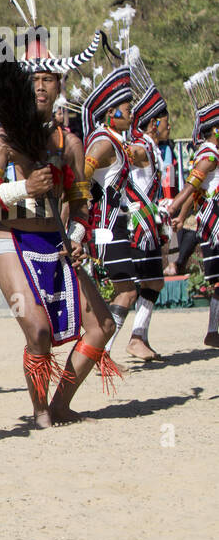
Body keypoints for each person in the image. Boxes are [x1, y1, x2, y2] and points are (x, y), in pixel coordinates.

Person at [0, 24, 117, 427]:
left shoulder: (69, 143)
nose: (40, 87)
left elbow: (80, 203)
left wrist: (78, 235)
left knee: (102, 325)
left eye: (47, 79)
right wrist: (24, 187)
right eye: (33, 79)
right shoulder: (2, 137)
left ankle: (61, 403)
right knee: (37, 331)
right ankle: (39, 412)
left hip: (56, 242)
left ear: (58, 85)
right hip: (11, 240)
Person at [78, 64, 149, 355]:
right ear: (111, 113)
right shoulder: (105, 143)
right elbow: (81, 175)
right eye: (127, 109)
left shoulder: (117, 143)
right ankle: (100, 352)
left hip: (113, 224)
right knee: (127, 290)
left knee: (124, 289)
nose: (132, 114)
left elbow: (143, 161)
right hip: (103, 226)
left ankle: (100, 349)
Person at [122, 51, 169, 361]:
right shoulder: (141, 145)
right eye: (166, 121)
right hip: (136, 225)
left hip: (146, 223)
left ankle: (137, 337)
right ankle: (104, 346)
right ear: (153, 123)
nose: (169, 127)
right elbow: (132, 154)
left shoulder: (151, 145)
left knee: (152, 281)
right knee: (127, 289)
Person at [170, 64, 219, 347]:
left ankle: (214, 331)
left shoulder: (209, 151)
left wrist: (182, 212)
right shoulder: (210, 155)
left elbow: (194, 191)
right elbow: (192, 185)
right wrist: (176, 207)